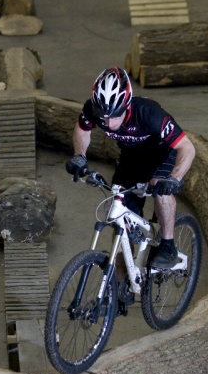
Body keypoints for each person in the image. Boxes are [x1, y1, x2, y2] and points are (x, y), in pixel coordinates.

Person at [66, 66, 196, 274]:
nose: (109, 123)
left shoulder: (149, 114)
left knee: (159, 188)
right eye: (104, 117)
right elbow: (82, 129)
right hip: (132, 157)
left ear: (126, 105)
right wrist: (79, 156)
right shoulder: (93, 109)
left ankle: (168, 245)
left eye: (115, 116)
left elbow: (187, 147)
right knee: (120, 218)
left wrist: (174, 178)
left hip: (163, 153)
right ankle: (121, 281)